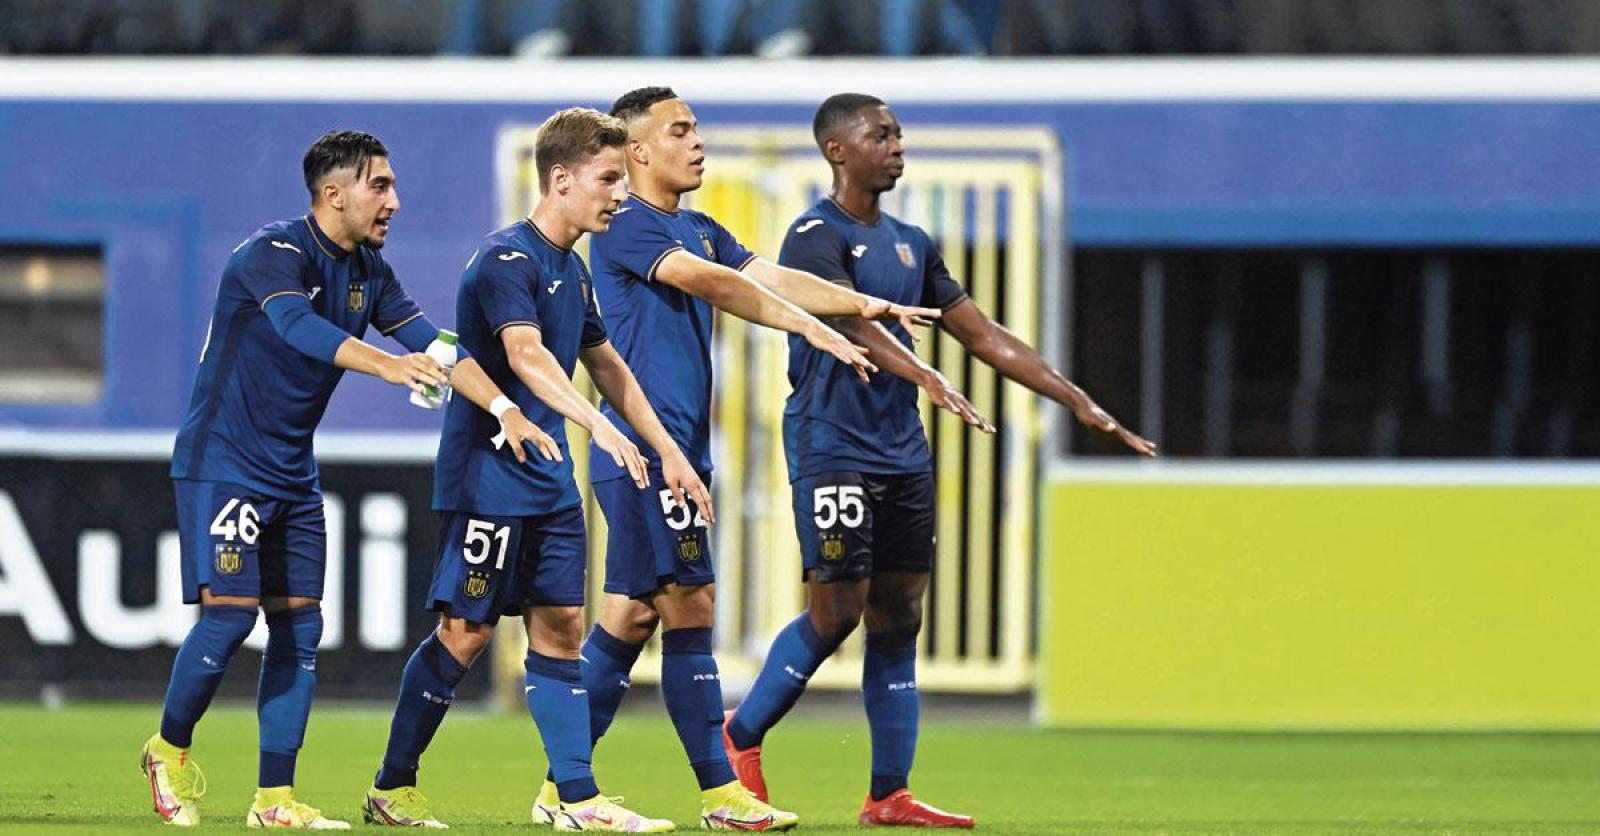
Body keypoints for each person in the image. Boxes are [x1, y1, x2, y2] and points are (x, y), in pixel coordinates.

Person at [526, 85, 955, 833]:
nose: (697, 141)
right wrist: (811, 327)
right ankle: (720, 793)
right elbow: (715, 284)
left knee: (630, 618)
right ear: (637, 152)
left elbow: (762, 276)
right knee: (693, 605)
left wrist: (857, 306)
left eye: (696, 128)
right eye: (680, 130)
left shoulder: (697, 223)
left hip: (680, 452)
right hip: (643, 452)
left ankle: (565, 787)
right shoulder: (628, 224)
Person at [723, 92, 1158, 829]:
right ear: (838, 150)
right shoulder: (812, 236)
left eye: (898, 134)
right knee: (836, 613)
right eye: (880, 134)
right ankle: (737, 737)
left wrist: (1076, 399)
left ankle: (888, 794)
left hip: (901, 453)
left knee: (900, 615)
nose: (896, 145)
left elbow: (983, 336)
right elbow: (846, 318)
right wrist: (920, 373)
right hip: (833, 445)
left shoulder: (912, 242)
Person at [146, 129, 545, 829]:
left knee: (301, 628)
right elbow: (298, 327)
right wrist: (388, 366)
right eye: (380, 186)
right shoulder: (271, 254)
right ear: (334, 194)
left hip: (293, 472)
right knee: (231, 617)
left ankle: (275, 800)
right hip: (225, 463)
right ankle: (168, 751)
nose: (395, 200)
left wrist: (506, 402)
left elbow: (430, 342)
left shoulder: (369, 270)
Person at [361, 107, 707, 833]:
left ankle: (577, 799)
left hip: (547, 478)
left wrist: (666, 450)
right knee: (466, 633)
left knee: (561, 625)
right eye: (608, 178)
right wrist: (596, 427)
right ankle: (393, 786)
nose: (620, 192)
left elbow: (608, 367)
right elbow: (524, 356)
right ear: (560, 179)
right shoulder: (504, 261)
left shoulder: (573, 271)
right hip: (489, 477)